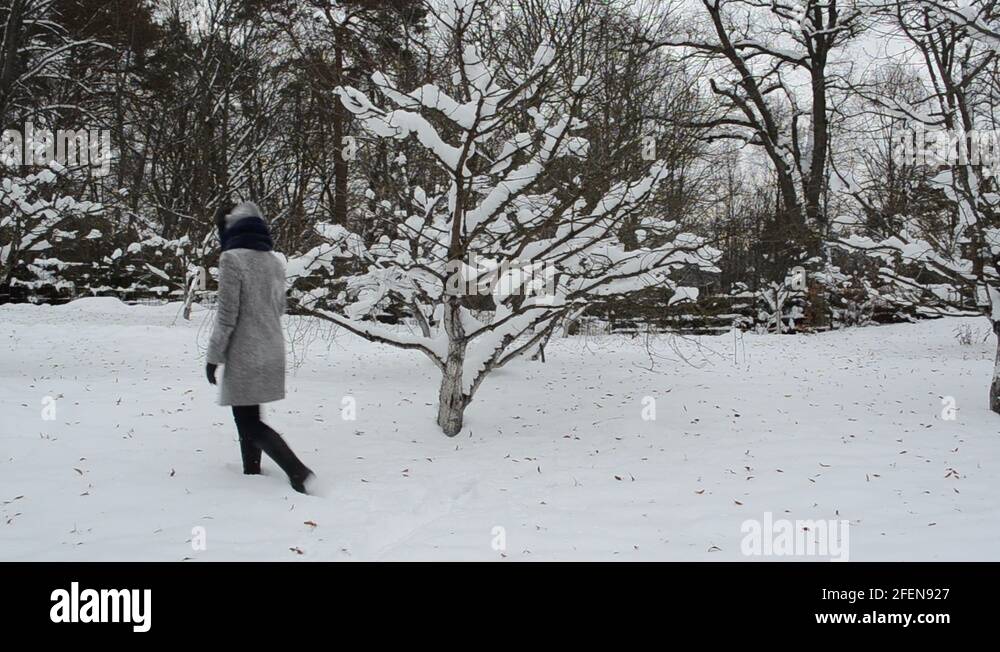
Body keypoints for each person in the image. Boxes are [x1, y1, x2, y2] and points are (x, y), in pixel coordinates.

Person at [205, 199, 315, 494]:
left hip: (245, 351)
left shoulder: (232, 259)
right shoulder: (274, 261)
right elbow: (279, 307)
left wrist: (214, 356)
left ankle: (297, 470)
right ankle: (251, 472)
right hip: (272, 347)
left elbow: (227, 315)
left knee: (249, 422)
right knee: (248, 415)